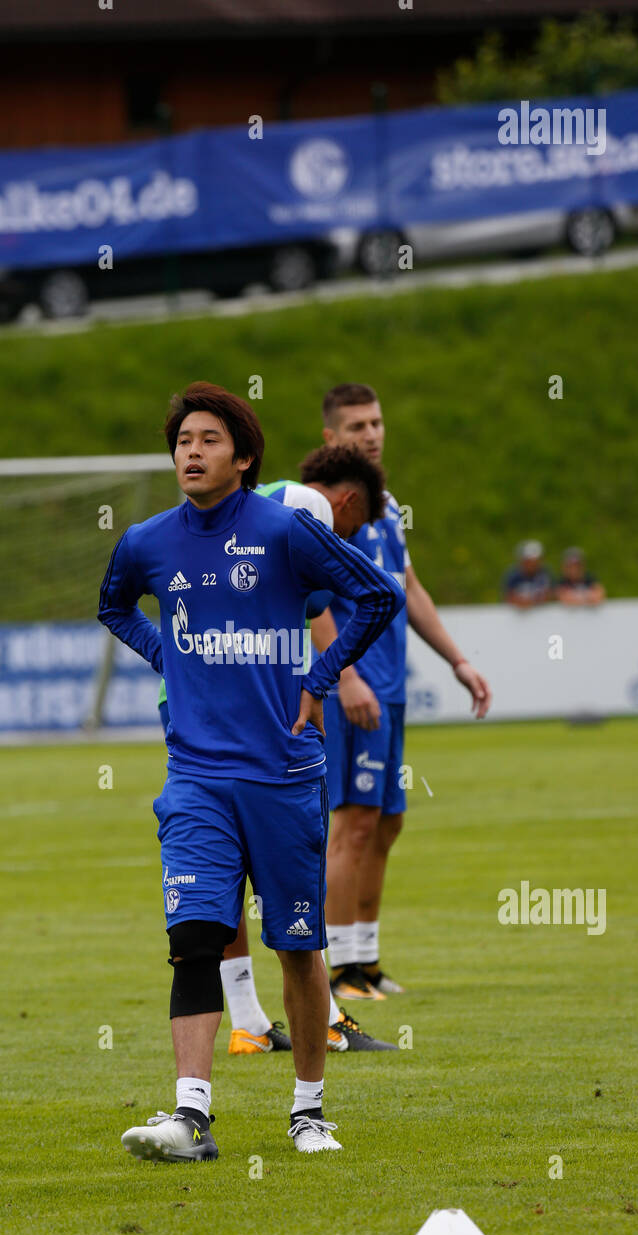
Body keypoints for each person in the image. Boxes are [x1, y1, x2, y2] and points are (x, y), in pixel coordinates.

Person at [98, 382, 404, 1161]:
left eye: (207, 440)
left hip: (281, 771)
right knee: (195, 937)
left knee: (297, 945)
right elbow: (113, 606)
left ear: (243, 455)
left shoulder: (285, 529)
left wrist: (322, 676)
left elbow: (373, 596)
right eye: (181, 441)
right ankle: (189, 1116)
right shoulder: (147, 541)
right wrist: (165, 653)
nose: (190, 453)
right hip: (195, 777)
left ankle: (308, 1110)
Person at [156, 442, 391, 1057]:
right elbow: (316, 599)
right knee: (255, 847)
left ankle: (253, 1021)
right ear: (342, 506)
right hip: (226, 696)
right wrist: (332, 676)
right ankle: (297, 1019)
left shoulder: (254, 510)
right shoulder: (299, 511)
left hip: (196, 691)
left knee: (223, 860)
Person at [311, 382, 492, 1006]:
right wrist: (347, 676)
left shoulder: (386, 507)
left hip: (390, 691)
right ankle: (335, 971)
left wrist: (458, 660)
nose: (373, 433)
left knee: (387, 822)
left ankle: (364, 960)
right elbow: (313, 601)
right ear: (332, 438)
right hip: (350, 690)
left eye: (378, 422)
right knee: (353, 824)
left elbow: (409, 591)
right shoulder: (324, 507)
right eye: (358, 426)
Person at [503, 540, 554, 607]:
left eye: (535, 560)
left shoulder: (545, 574)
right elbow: (507, 596)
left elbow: (552, 593)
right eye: (529, 561)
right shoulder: (513, 575)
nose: (532, 564)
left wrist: (534, 600)